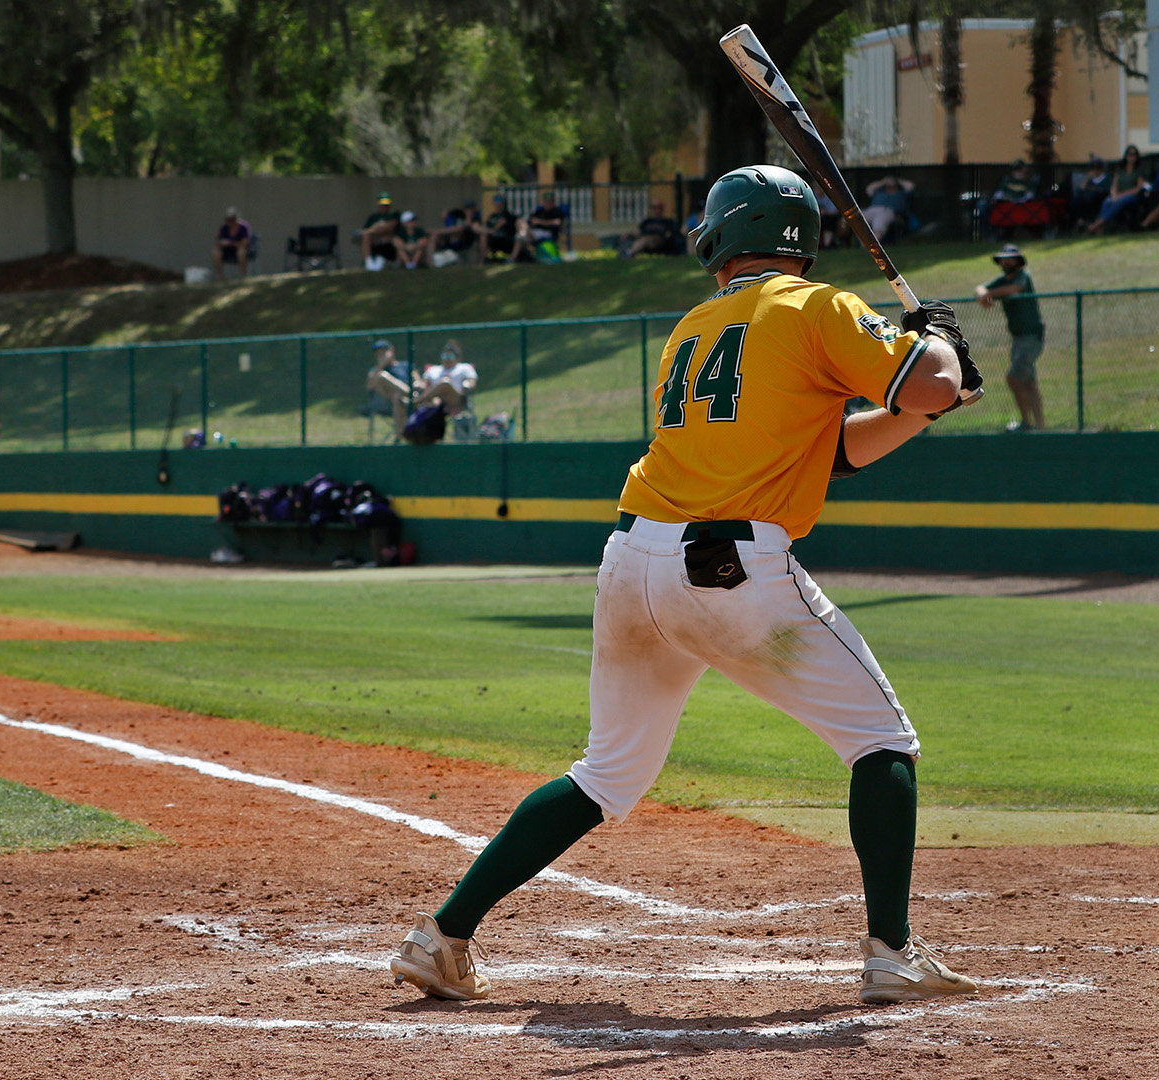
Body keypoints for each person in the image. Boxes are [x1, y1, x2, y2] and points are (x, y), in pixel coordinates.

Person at [386, 163, 983, 1008]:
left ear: (717, 238)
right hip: (732, 569)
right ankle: (892, 952)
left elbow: (836, 448)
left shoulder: (696, 326)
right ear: (802, 239)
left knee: (606, 773)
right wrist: (939, 358)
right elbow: (926, 377)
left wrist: (926, 396)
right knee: (883, 742)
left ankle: (442, 937)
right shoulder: (815, 305)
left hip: (635, 563)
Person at [975, 243, 1045, 432]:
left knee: (1014, 378)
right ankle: (1040, 427)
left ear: (1017, 261)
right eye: (1003, 259)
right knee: (1029, 382)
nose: (1006, 262)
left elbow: (1015, 289)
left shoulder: (1023, 276)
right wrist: (983, 295)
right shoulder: (1002, 280)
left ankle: (1027, 423)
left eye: (1010, 258)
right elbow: (979, 289)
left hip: (1031, 336)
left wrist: (989, 294)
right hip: (1017, 338)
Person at [1084, 145, 1148, 235]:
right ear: (1126, 156)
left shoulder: (1139, 170)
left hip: (1132, 196)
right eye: (1130, 154)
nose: (1132, 157)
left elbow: (1138, 188)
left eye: (1134, 154)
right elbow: (1114, 186)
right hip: (1118, 195)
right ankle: (1100, 228)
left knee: (1120, 201)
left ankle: (1096, 225)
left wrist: (1121, 195)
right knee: (1107, 201)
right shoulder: (1120, 170)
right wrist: (1114, 195)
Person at [365, 339, 416, 434]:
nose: (381, 356)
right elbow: (370, 387)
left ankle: (399, 437)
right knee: (382, 376)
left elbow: (418, 381)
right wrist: (381, 365)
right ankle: (410, 394)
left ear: (392, 350)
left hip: (405, 401)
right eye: (378, 354)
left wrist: (417, 385)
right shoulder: (375, 370)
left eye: (383, 352)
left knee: (397, 397)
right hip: (386, 402)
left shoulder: (405, 365)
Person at [620, 201, 685, 257]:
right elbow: (638, 232)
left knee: (645, 239)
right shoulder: (647, 221)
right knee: (642, 240)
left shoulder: (667, 221)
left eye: (658, 208)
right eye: (654, 208)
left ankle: (629, 253)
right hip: (644, 238)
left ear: (662, 209)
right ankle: (630, 252)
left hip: (659, 240)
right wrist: (628, 234)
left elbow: (670, 233)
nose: (656, 210)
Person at [861, 176, 915, 241]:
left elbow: (910, 186)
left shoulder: (901, 193)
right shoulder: (879, 192)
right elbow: (869, 188)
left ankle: (874, 245)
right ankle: (864, 245)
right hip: (872, 209)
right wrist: (883, 181)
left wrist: (897, 180)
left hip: (889, 211)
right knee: (858, 219)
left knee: (879, 221)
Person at [360, 191, 402, 270]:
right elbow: (366, 231)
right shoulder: (373, 217)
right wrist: (376, 228)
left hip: (390, 242)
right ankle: (368, 261)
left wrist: (381, 226)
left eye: (386, 204)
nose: (384, 206)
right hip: (375, 241)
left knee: (386, 229)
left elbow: (393, 225)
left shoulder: (394, 214)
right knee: (366, 235)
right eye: (382, 204)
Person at [211, 208, 253, 280]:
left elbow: (246, 241)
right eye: (228, 220)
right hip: (227, 251)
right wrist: (222, 242)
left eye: (232, 219)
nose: (230, 222)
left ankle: (244, 276)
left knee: (241, 252)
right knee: (215, 251)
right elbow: (219, 240)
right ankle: (220, 277)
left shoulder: (244, 227)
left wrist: (234, 243)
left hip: (240, 250)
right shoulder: (225, 228)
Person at [1070, 156, 1110, 227]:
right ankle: (1081, 222)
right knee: (1076, 200)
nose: (1095, 170)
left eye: (1098, 168)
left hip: (1098, 201)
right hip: (1086, 201)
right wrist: (1087, 178)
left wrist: (1095, 189)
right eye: (1093, 168)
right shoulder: (1090, 180)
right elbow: (1079, 191)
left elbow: (1106, 191)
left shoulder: (1107, 178)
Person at [482, 194, 518, 262]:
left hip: (506, 239)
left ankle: (511, 259)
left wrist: (493, 229)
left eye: (500, 203)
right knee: (483, 236)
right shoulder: (492, 216)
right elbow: (486, 226)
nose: (498, 205)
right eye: (496, 203)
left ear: (503, 204)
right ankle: (482, 261)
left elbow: (503, 225)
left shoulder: (507, 215)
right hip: (493, 238)